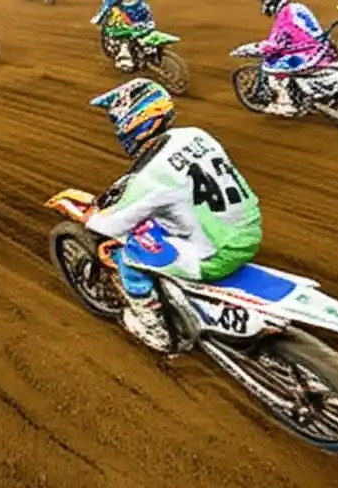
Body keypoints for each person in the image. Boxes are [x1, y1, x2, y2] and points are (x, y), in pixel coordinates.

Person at [85, 78, 263, 353]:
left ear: (134, 120)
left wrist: (91, 218)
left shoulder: (150, 177)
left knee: (130, 249)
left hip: (216, 256)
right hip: (249, 227)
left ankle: (153, 327)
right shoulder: (196, 135)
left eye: (116, 120)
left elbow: (108, 225)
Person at [253, 0, 338, 116]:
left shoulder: (284, 18)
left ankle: (285, 104)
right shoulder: (297, 7)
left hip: (310, 55)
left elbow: (276, 44)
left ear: (271, 0)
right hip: (324, 47)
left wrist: (259, 48)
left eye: (263, 0)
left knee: (271, 69)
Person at [92, 0, 155, 72]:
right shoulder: (131, 4)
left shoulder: (119, 6)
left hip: (135, 25)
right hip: (140, 25)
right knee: (128, 36)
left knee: (125, 38)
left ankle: (126, 60)